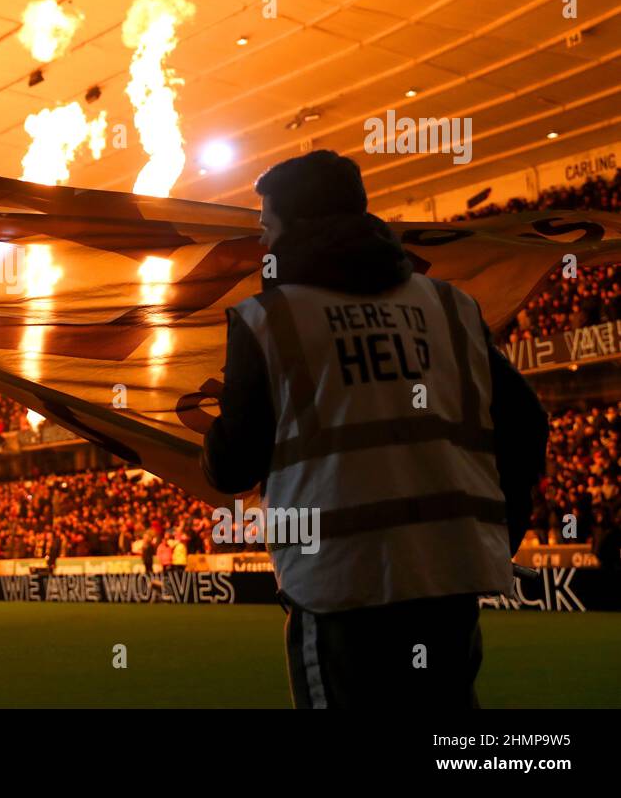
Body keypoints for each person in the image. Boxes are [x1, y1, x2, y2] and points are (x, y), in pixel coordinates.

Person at [203, 150, 548, 709]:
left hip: (339, 586)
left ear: (298, 224)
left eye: (268, 226)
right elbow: (527, 425)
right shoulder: (450, 306)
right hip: (448, 580)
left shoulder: (268, 319)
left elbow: (232, 467)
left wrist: (220, 426)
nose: (264, 243)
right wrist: (495, 532)